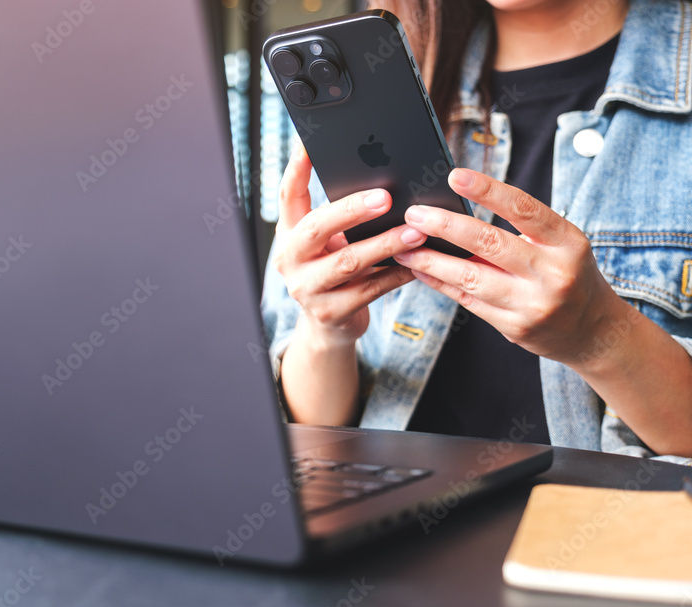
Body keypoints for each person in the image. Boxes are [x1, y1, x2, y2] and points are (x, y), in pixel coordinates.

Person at [261, 0, 692, 464]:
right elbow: (314, 439)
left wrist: (599, 334)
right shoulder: (382, 91)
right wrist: (327, 333)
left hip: (600, 532)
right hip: (391, 529)